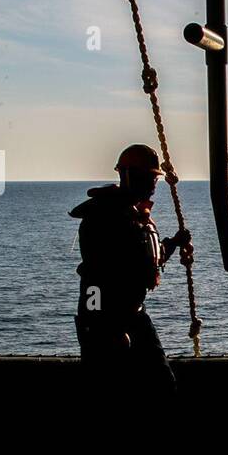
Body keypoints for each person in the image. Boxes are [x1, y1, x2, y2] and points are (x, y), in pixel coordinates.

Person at [70, 144, 179, 404]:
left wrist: (174, 243)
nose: (154, 184)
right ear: (129, 175)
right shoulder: (103, 217)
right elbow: (96, 277)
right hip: (108, 324)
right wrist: (108, 330)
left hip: (132, 315)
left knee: (160, 385)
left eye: (155, 179)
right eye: (150, 178)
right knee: (112, 393)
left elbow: (144, 259)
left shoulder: (133, 215)